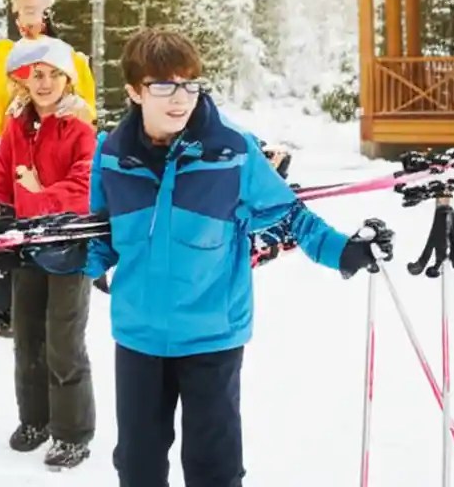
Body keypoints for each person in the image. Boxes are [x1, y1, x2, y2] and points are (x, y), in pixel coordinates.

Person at [83, 28, 395, 487]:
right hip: (139, 334)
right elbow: (102, 233)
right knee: (138, 465)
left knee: (214, 467)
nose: (180, 98)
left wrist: (342, 251)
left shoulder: (230, 149)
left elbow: (287, 215)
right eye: (163, 86)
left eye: (190, 84)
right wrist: (73, 262)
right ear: (133, 91)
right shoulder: (111, 154)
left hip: (213, 332)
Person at [0, 37, 97, 470]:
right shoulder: (16, 126)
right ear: (22, 80)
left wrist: (41, 194)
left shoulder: (81, 128)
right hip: (25, 244)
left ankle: (73, 433)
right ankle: (35, 419)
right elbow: (0, 175)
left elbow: (85, 186)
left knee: (64, 342)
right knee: (27, 336)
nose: (44, 82)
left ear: (68, 79)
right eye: (35, 74)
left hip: (69, 245)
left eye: (52, 74)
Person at [0, 0, 97, 338]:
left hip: (57, 153)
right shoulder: (3, 52)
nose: (27, 18)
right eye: (21, 11)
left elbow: (83, 110)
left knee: (60, 339)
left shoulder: (69, 60)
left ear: (49, 14)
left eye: (35, 10)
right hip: (16, 133)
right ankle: (8, 310)